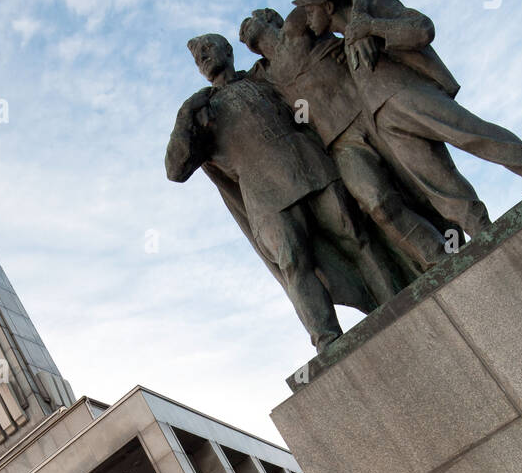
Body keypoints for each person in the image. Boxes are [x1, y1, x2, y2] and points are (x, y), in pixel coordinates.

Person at [165, 33, 401, 353]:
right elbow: (175, 170)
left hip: (311, 167)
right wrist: (185, 115)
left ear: (228, 50)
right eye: (198, 58)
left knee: (356, 234)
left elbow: (306, 98)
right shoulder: (201, 111)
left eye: (208, 49)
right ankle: (328, 341)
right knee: (293, 260)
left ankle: (397, 303)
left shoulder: (265, 76)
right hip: (264, 195)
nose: (204, 57)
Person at [292, 0, 522, 237]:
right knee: (437, 181)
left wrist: (371, 26)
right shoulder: (343, 45)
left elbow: (422, 29)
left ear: (328, 6)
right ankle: (481, 230)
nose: (308, 20)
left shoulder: (377, 8)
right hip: (383, 120)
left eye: (310, 12)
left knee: (470, 133)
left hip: (408, 93)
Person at [240, 7, 451, 272]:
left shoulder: (296, 24)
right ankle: (439, 257)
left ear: (271, 18)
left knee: (421, 185)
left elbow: (335, 0)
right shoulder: (260, 77)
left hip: (370, 113)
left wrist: (353, 34)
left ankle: (463, 237)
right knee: (377, 203)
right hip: (340, 143)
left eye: (251, 19)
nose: (244, 28)